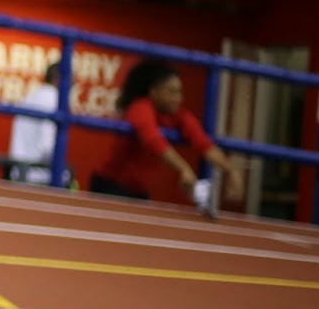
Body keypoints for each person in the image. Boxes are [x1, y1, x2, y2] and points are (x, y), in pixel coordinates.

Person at [92, 58, 242, 214]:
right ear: (154, 92)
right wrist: (184, 168)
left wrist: (230, 170)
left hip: (138, 189)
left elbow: (203, 143)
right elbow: (153, 140)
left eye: (179, 92)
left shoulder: (179, 115)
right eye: (171, 92)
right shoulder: (140, 107)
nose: (177, 98)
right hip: (111, 184)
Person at [8, 61, 62, 184]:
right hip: (41, 178)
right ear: (58, 78)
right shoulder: (54, 101)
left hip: (20, 173)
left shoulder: (29, 97)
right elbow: (47, 145)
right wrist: (62, 174)